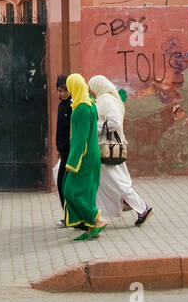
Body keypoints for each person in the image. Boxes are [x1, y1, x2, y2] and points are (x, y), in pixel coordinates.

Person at [88, 75, 152, 226]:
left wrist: (93, 126)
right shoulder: (107, 99)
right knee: (112, 181)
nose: (90, 91)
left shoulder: (106, 100)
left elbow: (115, 123)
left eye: (91, 87)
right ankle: (125, 206)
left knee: (118, 182)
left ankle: (141, 208)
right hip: (108, 148)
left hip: (108, 148)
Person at [61, 73, 107, 241]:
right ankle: (90, 227)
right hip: (89, 155)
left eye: (70, 87)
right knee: (85, 192)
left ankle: (97, 219)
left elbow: (81, 138)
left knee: (70, 191)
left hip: (84, 157)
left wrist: (73, 161)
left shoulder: (82, 109)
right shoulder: (90, 104)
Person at [54, 75, 72, 225]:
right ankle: (68, 216)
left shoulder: (73, 106)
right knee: (61, 185)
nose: (61, 94)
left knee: (64, 185)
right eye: (59, 90)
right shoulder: (61, 106)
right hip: (64, 153)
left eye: (63, 91)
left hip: (71, 154)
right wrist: (59, 148)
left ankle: (71, 217)